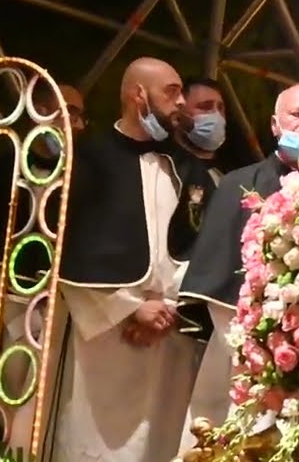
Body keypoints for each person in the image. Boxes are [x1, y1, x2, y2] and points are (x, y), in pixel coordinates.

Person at [52, 58, 204, 462]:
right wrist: (129, 309)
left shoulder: (185, 166)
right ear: (138, 95)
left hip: (170, 336)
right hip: (104, 337)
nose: (182, 102)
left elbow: (193, 243)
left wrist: (169, 309)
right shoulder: (89, 160)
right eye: (171, 91)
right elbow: (68, 251)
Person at [178, 83, 299, 445]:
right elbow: (215, 280)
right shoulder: (238, 184)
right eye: (297, 113)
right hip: (242, 357)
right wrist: (258, 353)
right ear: (275, 125)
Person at [0, 81, 85, 453]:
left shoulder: (81, 170)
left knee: (28, 407)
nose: (76, 124)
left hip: (51, 299)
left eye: (78, 116)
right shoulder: (5, 155)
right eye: (68, 112)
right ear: (42, 111)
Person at [180, 77, 227, 185]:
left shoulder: (235, 175)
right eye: (205, 107)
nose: (216, 115)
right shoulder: (164, 172)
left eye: (220, 108)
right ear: (179, 113)